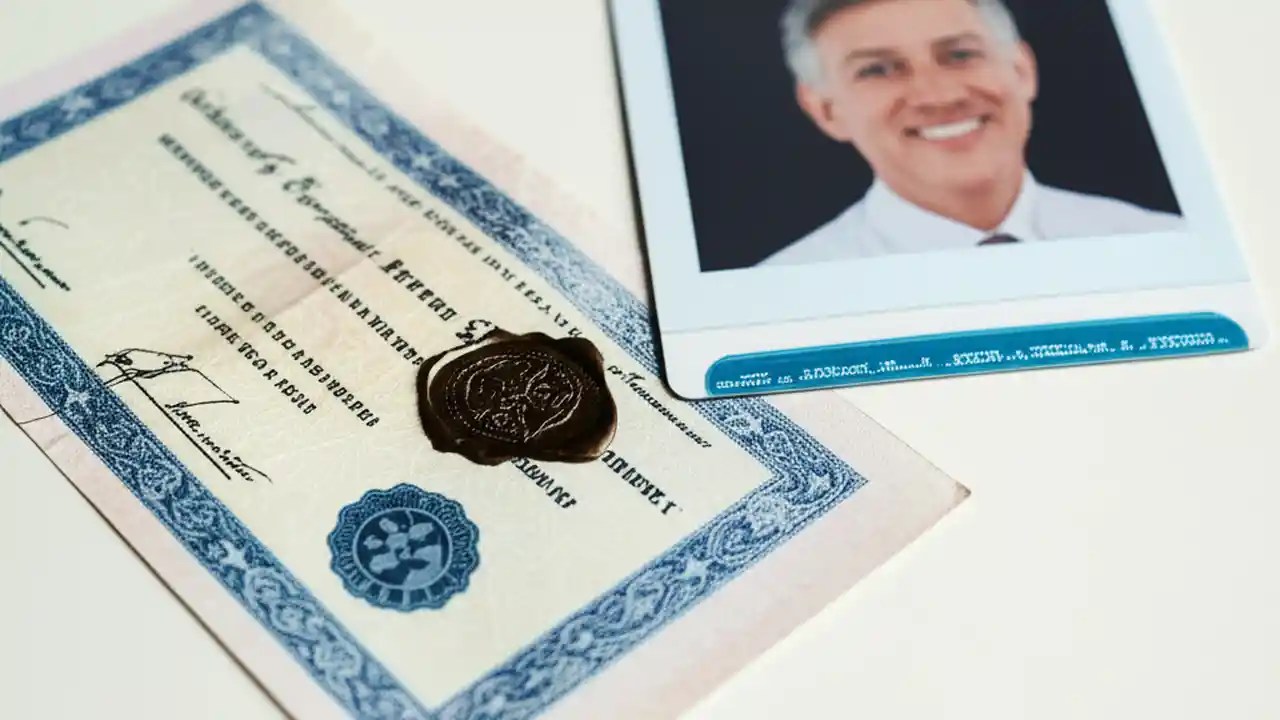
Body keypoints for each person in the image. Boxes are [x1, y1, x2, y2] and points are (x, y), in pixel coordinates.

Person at [759, 0, 1182, 267]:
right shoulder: (786, 289)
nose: (938, 95)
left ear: (1022, 70)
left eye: (960, 54)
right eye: (878, 70)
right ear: (827, 110)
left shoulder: (1164, 243)